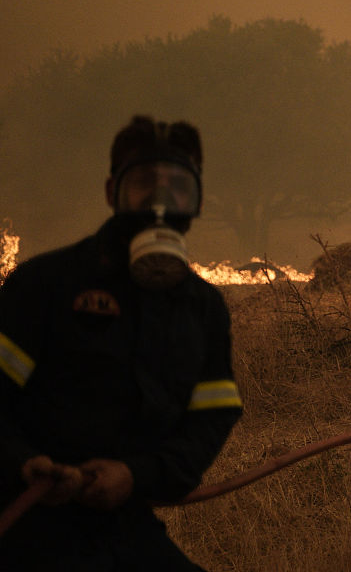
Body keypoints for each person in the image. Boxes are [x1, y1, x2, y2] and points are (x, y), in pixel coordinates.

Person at [0, 116, 243, 571]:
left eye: (178, 189)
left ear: (197, 202)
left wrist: (136, 476)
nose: (160, 204)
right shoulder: (44, 285)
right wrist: (24, 463)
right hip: (24, 521)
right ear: (112, 193)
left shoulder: (203, 308)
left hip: (122, 524)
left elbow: (211, 419)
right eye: (144, 185)